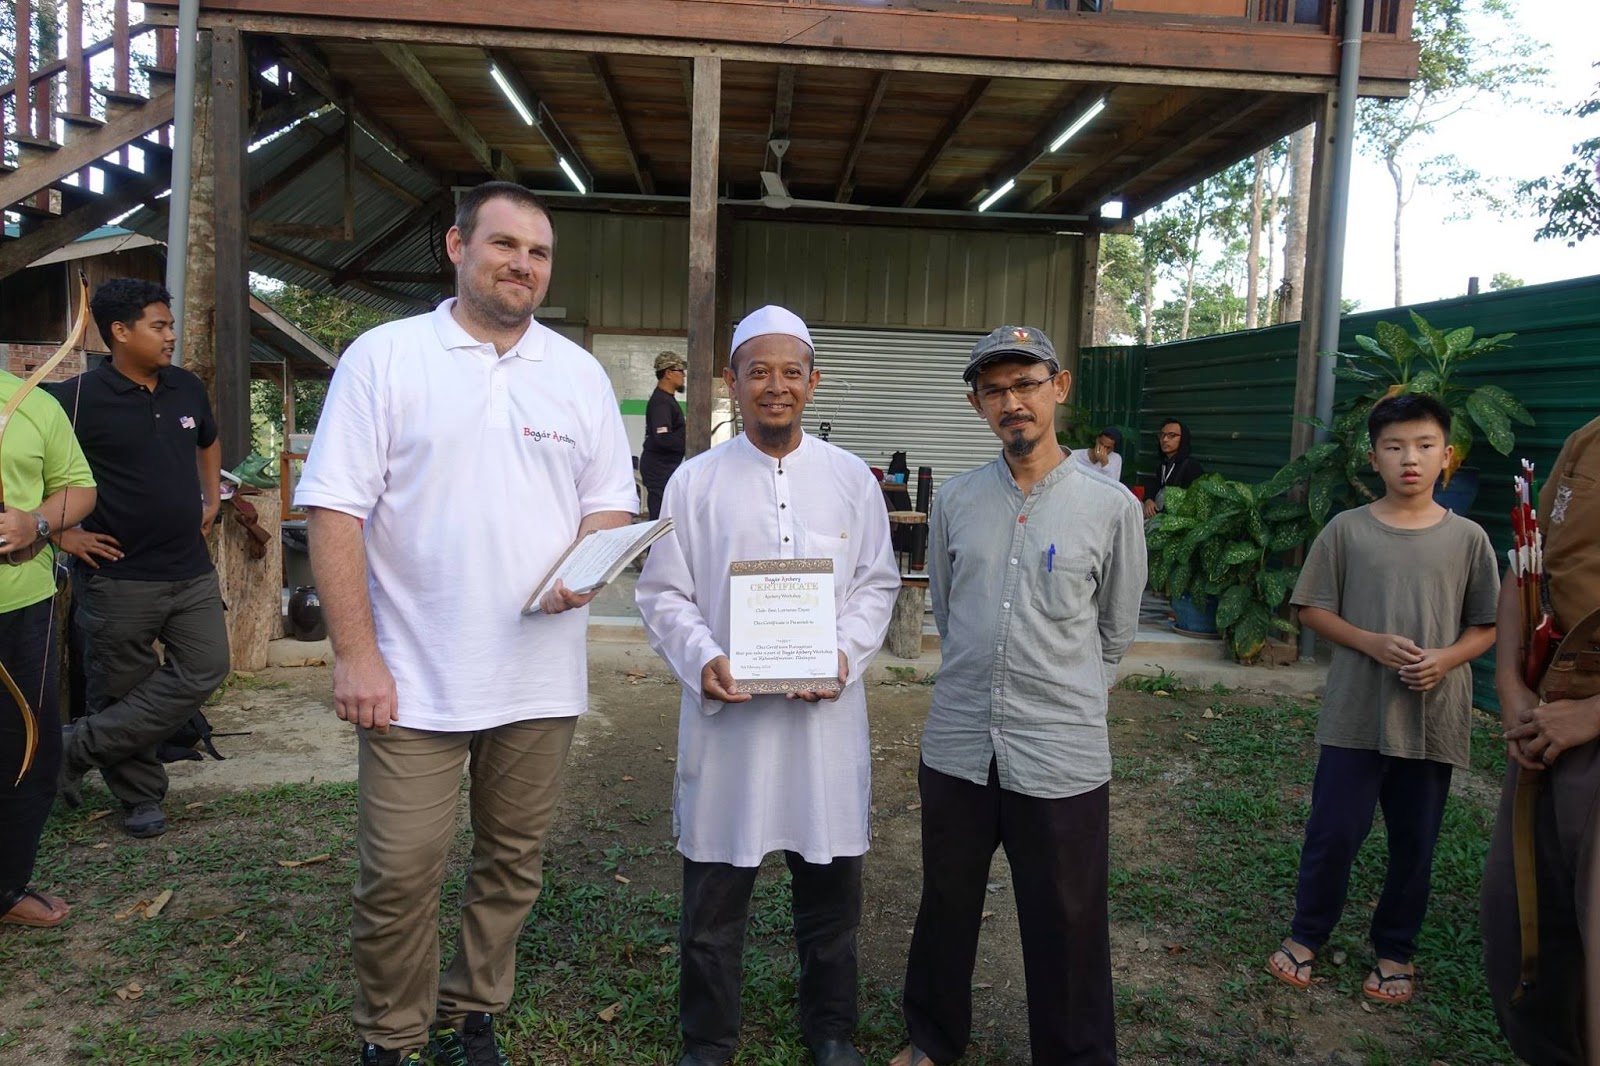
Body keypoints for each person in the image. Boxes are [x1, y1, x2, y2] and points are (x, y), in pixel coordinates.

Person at [295, 181, 637, 1066]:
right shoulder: (388, 356)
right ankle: (391, 1034)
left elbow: (608, 507)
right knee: (402, 869)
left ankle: (472, 1010)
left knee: (511, 860)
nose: (523, 264)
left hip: (537, 675)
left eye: (539, 252)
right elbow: (335, 511)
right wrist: (355, 655)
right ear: (456, 247)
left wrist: (583, 570)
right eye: (505, 245)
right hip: (412, 672)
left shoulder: (577, 374)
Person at [635, 305, 899, 1066]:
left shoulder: (851, 480)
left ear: (813, 382)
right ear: (732, 382)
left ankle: (830, 1030)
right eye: (759, 372)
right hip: (731, 730)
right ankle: (709, 1040)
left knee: (830, 901)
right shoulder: (693, 483)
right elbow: (663, 593)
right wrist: (703, 659)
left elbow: (876, 586)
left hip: (824, 728)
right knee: (714, 904)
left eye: (790, 372)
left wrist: (843, 654)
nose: (774, 387)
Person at [893, 324, 1145, 1066]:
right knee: (946, 902)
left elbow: (1116, 629)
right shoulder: (959, 502)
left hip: (1060, 750)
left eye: (1027, 384)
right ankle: (934, 1040)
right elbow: (946, 595)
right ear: (977, 404)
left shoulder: (1111, 507)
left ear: (1058, 388)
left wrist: (1059, 690)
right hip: (960, 743)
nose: (1013, 403)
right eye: (995, 390)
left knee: (1067, 917)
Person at [1266, 394, 1498, 1005]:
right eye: (1394, 448)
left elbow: (1488, 625)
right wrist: (1370, 642)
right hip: (1355, 714)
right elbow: (1311, 607)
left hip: (1432, 717)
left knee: (1415, 841)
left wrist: (1445, 659)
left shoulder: (1469, 539)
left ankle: (1396, 949)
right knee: (1333, 831)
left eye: (1424, 446)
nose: (1410, 459)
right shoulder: (1347, 530)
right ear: (1374, 459)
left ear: (1446, 457)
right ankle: (1306, 935)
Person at [50, 278, 230, 840]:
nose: (170, 336)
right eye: (159, 326)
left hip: (190, 569)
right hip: (117, 576)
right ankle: (140, 797)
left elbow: (207, 441)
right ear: (120, 332)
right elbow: (32, 470)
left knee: (207, 666)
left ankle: (71, 748)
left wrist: (209, 498)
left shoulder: (184, 388)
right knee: (121, 688)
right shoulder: (73, 399)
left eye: (170, 325)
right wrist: (62, 534)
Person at [1481, 413, 1600, 1064]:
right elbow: (1530, 569)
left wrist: (1593, 714)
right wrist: (1509, 685)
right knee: (1528, 948)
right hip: (1546, 727)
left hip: (1581, 724)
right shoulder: (1588, 439)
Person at [0, 372, 96, 927]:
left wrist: (33, 521)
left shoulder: (30, 400)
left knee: (27, 748)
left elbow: (78, 489)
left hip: (21, 603)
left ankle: (6, 887)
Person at [640, 350, 687, 519]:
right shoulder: (661, 402)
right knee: (660, 520)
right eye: (680, 371)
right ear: (668, 373)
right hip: (658, 469)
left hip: (665, 468)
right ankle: (655, 547)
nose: (684, 375)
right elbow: (663, 439)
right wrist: (688, 442)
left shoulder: (667, 399)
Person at [1143, 417, 1203, 519]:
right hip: (1158, 516)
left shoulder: (1191, 466)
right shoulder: (1163, 464)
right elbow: (1155, 487)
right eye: (1162, 435)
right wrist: (1148, 500)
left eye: (1171, 436)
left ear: (1183, 439)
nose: (1164, 439)